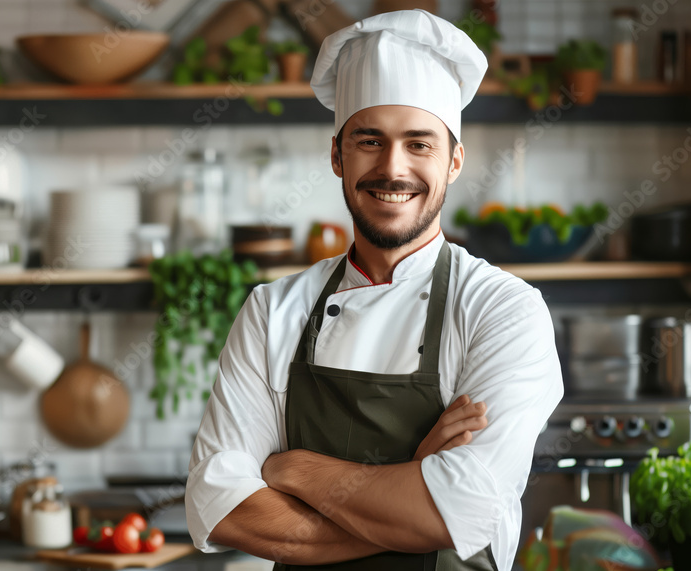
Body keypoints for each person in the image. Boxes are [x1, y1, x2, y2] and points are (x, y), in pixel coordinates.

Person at [185, 9, 563, 571]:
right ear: (337, 154)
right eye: (370, 140)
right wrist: (413, 480)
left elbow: (457, 512)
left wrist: (297, 471)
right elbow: (222, 508)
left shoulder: (502, 311)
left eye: (420, 144)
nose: (392, 168)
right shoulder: (272, 311)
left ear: (454, 161)